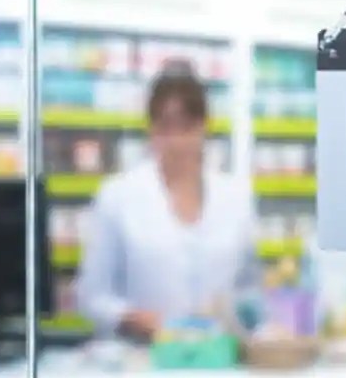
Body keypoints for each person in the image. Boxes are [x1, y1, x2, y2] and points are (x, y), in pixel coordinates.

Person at [77, 59, 257, 340]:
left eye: (187, 127)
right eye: (165, 127)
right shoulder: (118, 196)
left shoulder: (235, 198)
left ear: (204, 126)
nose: (176, 141)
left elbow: (249, 286)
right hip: (143, 362)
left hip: (219, 361)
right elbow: (92, 296)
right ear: (150, 129)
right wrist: (132, 317)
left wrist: (246, 315)